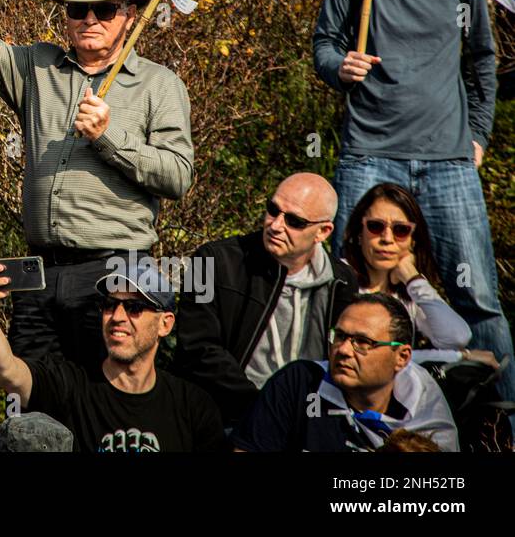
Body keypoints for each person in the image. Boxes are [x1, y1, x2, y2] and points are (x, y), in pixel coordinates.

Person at [0, 0, 193, 375]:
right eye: (77, 8)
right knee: (33, 396)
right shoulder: (36, 66)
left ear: (128, 15)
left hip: (117, 276)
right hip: (38, 274)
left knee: (103, 396)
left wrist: (109, 138)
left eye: (105, 9)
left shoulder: (159, 84)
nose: (90, 18)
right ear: (65, 17)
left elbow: (177, 176)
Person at [312, 0, 514, 417]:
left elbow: (481, 62)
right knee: (344, 284)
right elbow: (324, 46)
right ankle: (330, 412)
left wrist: (478, 134)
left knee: (479, 298)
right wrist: (341, 67)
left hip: (449, 161)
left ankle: (503, 421)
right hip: (369, 154)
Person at [0, 251, 224, 452]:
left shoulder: (192, 406)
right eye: (109, 305)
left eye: (134, 308)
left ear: (165, 324)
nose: (117, 317)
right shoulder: (70, 386)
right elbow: (6, 370)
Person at [173, 173, 359, 427]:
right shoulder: (213, 261)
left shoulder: (341, 281)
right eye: (273, 210)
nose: (275, 225)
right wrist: (264, 406)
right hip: (231, 415)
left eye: (294, 221)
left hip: (313, 418)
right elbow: (197, 349)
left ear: (323, 231)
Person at [232, 295, 459, 451]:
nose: (343, 350)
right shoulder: (299, 383)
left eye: (362, 341)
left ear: (401, 357)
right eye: (339, 336)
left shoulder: (425, 404)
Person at [341, 183, 497, 368]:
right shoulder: (341, 278)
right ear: (359, 233)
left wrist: (412, 278)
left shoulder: (407, 293)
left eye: (401, 230)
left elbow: (456, 337)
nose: (387, 238)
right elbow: (374, 358)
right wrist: (460, 357)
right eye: (375, 226)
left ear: (413, 240)